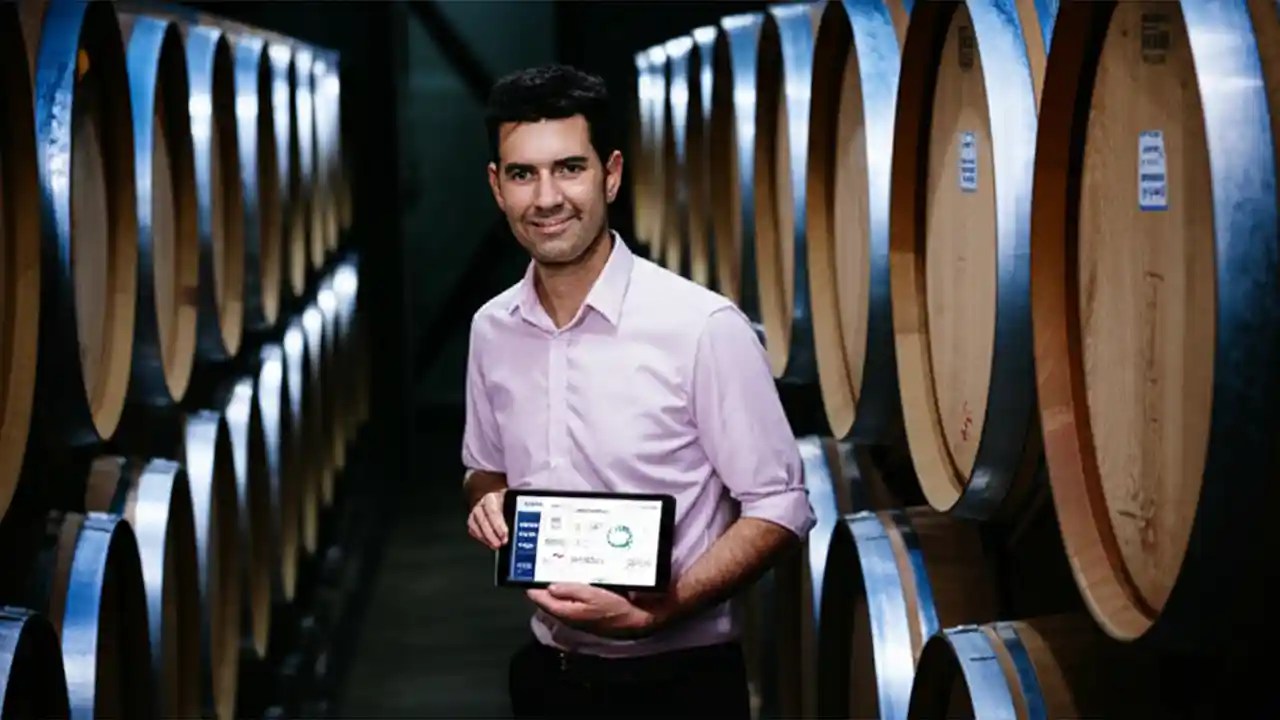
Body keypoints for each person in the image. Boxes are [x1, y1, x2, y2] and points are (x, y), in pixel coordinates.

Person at [461, 63, 815, 719]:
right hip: (549, 677)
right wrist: (486, 500)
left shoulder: (700, 327)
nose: (545, 197)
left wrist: (663, 611)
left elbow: (781, 507)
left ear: (612, 174)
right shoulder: (492, 329)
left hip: (681, 685)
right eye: (522, 174)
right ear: (496, 186)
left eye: (569, 168)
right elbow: (484, 470)